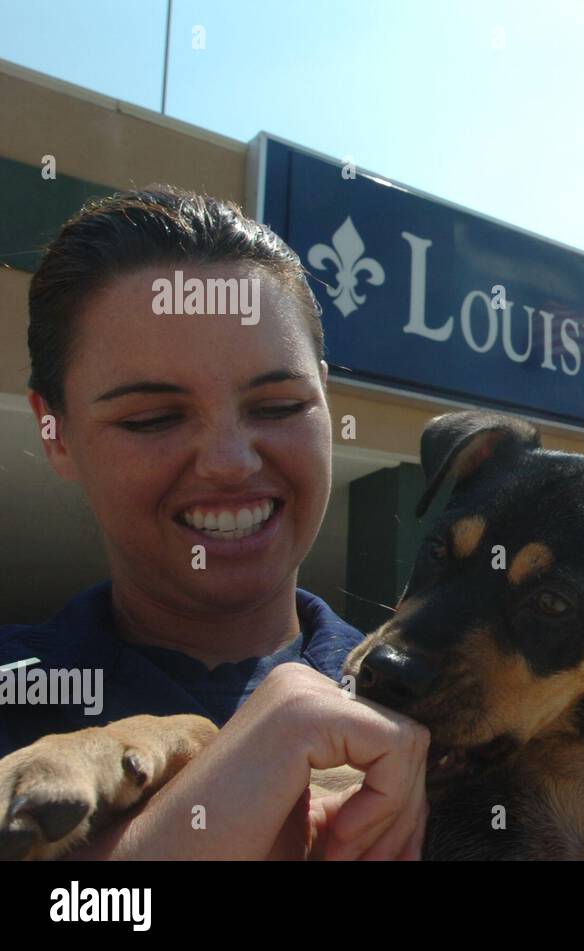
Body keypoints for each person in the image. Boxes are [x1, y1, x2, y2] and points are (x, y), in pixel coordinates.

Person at [0, 186, 431, 859]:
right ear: (54, 431)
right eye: (153, 417)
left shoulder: (439, 707)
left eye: (280, 404)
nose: (231, 462)